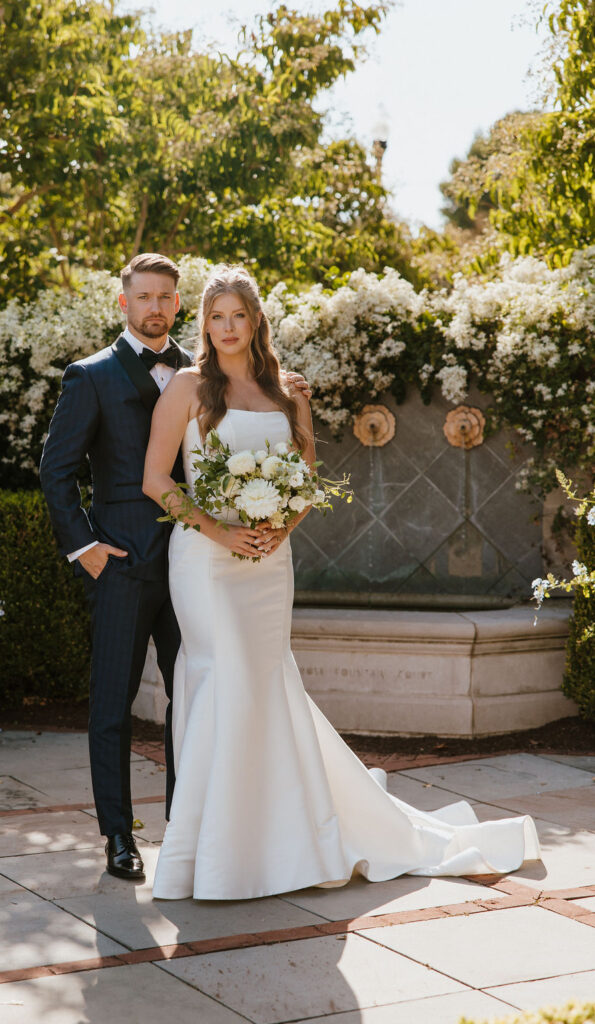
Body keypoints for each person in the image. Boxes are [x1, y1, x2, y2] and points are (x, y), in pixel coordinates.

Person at [143, 265, 541, 900]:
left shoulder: (289, 393)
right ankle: (213, 852)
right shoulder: (188, 386)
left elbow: (306, 483)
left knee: (266, 680)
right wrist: (220, 532)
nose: (226, 328)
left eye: (237, 316)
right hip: (205, 560)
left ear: (255, 322)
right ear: (204, 323)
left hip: (269, 563)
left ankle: (280, 841)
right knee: (221, 678)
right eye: (215, 317)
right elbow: (157, 481)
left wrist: (279, 528)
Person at [40, 253, 310, 883]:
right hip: (126, 565)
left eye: (166, 297)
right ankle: (117, 838)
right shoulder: (91, 375)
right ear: (123, 303)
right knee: (111, 703)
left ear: (179, 306)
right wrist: (89, 550)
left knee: (193, 697)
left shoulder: (206, 378)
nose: (155, 307)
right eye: (144, 297)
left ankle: (187, 829)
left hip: (202, 566)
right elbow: (57, 473)